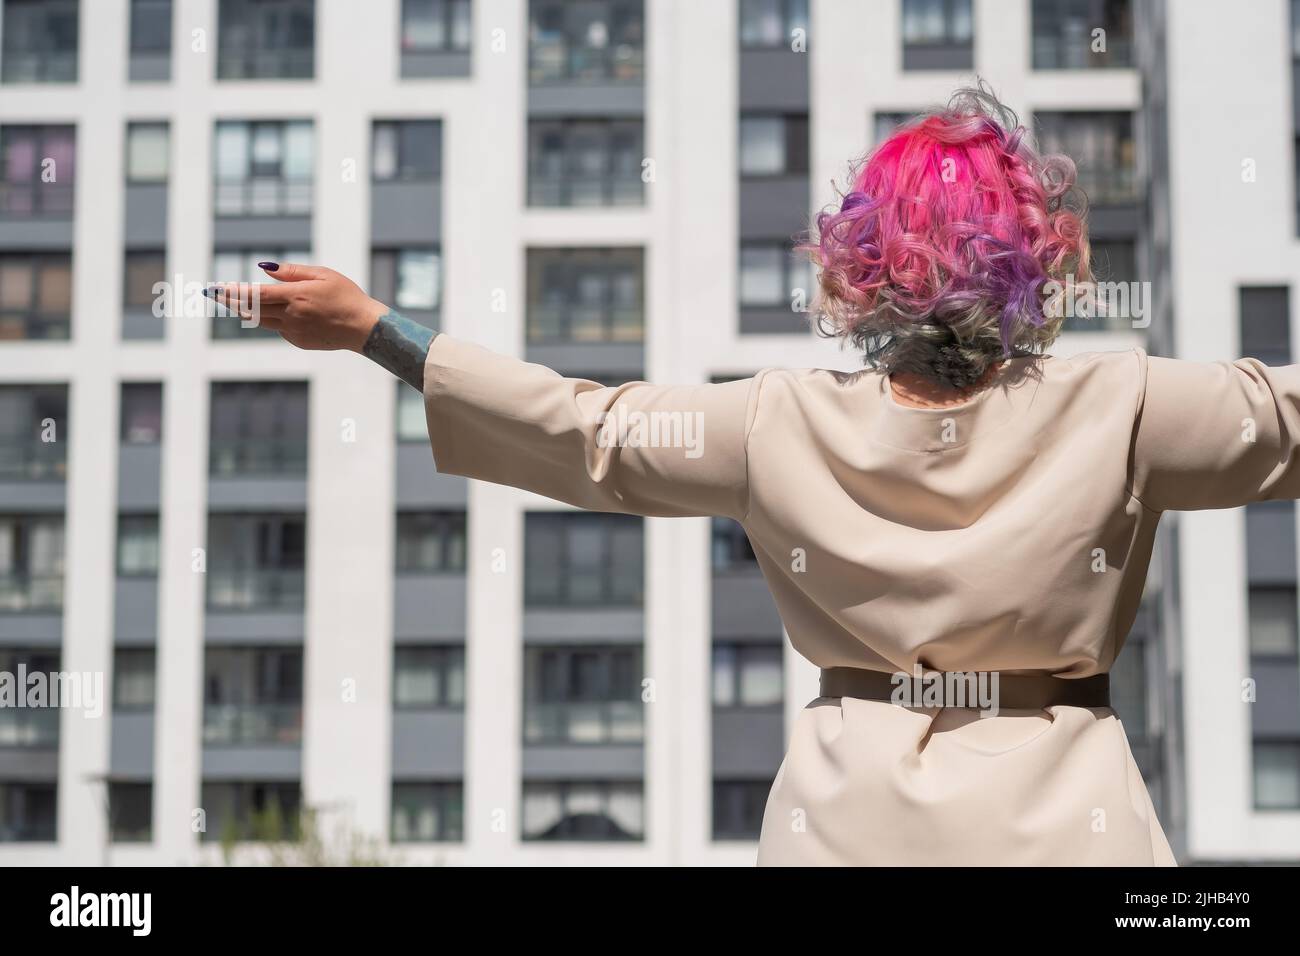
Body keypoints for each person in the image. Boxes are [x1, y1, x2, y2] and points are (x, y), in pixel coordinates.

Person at [207, 87, 1299, 866]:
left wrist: (373, 330)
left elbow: (586, 430)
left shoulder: (778, 420)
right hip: (1070, 825)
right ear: (1035, 252)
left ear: (862, 260)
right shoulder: (1126, 406)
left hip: (845, 826)